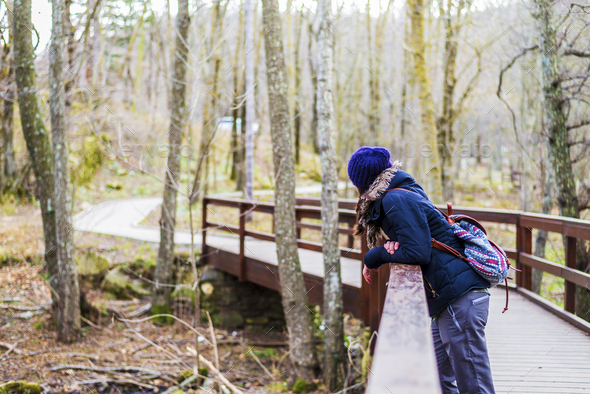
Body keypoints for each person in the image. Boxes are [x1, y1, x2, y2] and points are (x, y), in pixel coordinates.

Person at [348, 146, 495, 394]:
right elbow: (416, 241)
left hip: (460, 299)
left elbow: (417, 252)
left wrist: (376, 255)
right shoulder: (399, 193)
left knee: (475, 387)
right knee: (437, 380)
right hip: (447, 301)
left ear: (362, 182)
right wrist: (394, 246)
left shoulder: (396, 199)